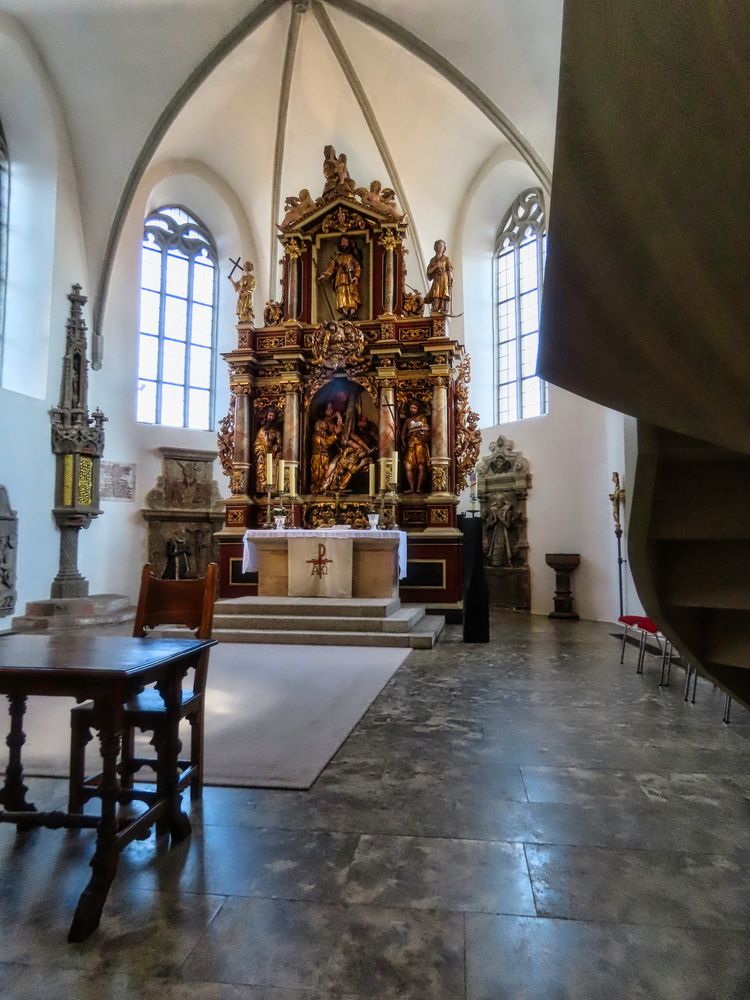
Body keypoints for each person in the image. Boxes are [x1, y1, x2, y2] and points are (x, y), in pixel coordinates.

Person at [316, 236, 362, 317]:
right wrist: (324, 276)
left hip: (350, 278)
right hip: (339, 279)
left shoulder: (351, 257)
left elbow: (357, 267)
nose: (344, 244)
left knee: (351, 294)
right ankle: (344, 313)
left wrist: (356, 276)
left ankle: (352, 312)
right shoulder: (336, 257)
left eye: (346, 242)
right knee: (341, 295)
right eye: (342, 242)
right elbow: (331, 268)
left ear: (349, 244)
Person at [401, 401, 431, 493]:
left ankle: (418, 488)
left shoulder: (422, 418)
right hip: (410, 445)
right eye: (411, 408)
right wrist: (403, 443)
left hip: (420, 445)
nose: (412, 410)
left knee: (421, 467)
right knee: (407, 466)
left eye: (414, 408)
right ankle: (411, 488)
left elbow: (426, 430)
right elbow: (403, 433)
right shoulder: (407, 420)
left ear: (418, 409)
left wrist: (417, 430)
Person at [253, 407, 282, 493]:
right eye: (269, 415)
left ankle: (269, 490)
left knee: (270, 473)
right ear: (266, 416)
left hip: (271, 456)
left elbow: (279, 443)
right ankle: (261, 489)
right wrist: (260, 452)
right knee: (260, 470)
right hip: (262, 455)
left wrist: (277, 446)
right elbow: (258, 443)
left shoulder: (276, 432)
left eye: (273, 416)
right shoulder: (261, 430)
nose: (271, 418)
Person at [483, 495, 517, 567]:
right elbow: (488, 525)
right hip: (495, 535)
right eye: (497, 501)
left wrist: (501, 519)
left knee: (503, 549)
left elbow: (508, 525)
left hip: (504, 534)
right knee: (494, 549)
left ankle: (504, 563)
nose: (498, 503)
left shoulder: (508, 511)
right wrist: (495, 521)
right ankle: (494, 564)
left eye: (500, 501)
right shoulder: (493, 510)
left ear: (503, 501)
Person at [424, 239, 453, 315]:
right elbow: (429, 272)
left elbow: (449, 270)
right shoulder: (433, 260)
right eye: (438, 245)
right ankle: (435, 309)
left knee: (444, 294)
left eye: (441, 246)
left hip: (444, 279)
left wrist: (450, 280)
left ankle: (444, 309)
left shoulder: (446, 259)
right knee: (435, 294)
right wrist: (436, 266)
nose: (439, 247)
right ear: (435, 247)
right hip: (436, 280)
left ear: (444, 248)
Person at [228, 259, 256, 324]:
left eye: (245, 266)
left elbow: (252, 287)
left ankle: (247, 318)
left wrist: (243, 290)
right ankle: (242, 319)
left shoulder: (252, 278)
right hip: (242, 297)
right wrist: (231, 280)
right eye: (244, 266)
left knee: (247, 310)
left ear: (248, 267)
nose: (244, 267)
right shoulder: (243, 277)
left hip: (247, 296)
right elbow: (237, 286)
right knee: (241, 309)